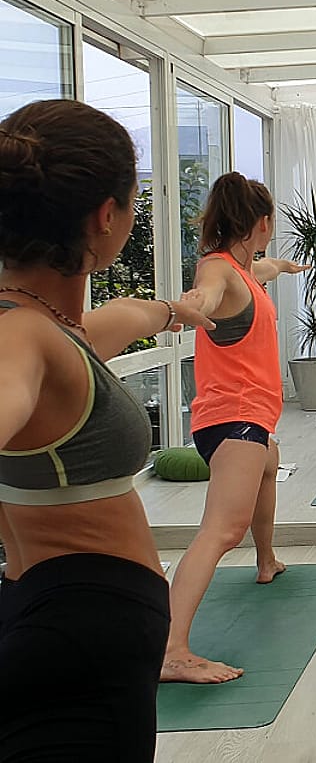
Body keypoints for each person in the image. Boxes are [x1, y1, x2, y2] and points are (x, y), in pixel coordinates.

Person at [0, 99, 215, 761]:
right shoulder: (21, 335)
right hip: (80, 633)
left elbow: (118, 318)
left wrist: (175, 310)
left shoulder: (47, 324)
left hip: (73, 623)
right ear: (106, 216)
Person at [160, 173, 308, 685]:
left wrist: (287, 266)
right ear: (262, 222)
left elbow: (264, 268)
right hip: (235, 417)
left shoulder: (245, 270)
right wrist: (190, 307)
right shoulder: (218, 269)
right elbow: (206, 293)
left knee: (270, 461)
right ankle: (171, 650)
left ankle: (266, 560)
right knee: (221, 531)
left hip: (245, 418)